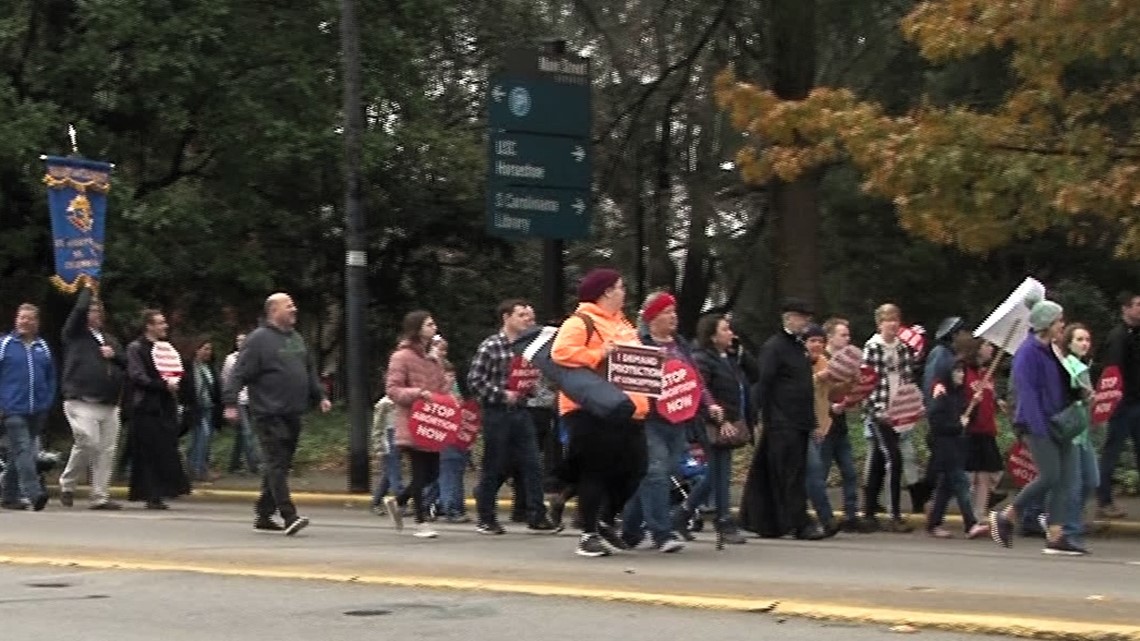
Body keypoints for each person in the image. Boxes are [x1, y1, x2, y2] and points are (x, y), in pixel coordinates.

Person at [550, 268, 649, 557]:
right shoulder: (580, 321)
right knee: (596, 470)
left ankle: (606, 519)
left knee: (636, 469)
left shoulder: (623, 324)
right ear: (606, 292)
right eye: (620, 287)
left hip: (627, 409)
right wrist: (598, 354)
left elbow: (634, 363)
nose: (624, 291)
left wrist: (653, 362)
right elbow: (561, 353)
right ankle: (588, 533)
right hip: (590, 408)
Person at [224, 293, 330, 535]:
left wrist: (320, 396)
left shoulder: (296, 339)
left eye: (294, 304)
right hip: (268, 412)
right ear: (273, 311)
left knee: (281, 463)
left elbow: (308, 369)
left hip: (293, 411)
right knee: (276, 462)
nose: (294, 309)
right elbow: (239, 373)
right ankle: (288, 514)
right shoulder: (258, 339)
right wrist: (230, 402)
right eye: (288, 305)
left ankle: (263, 513)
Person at [620, 292, 717, 552]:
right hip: (649, 419)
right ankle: (662, 533)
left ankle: (629, 530)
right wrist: (653, 365)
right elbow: (628, 377)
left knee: (665, 472)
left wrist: (709, 403)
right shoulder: (638, 343)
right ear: (652, 318)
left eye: (674, 312)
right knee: (656, 473)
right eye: (666, 313)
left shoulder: (680, 344)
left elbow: (693, 378)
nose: (673, 317)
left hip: (678, 419)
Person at [989, 292, 1084, 555]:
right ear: (1045, 324)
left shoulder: (1052, 349)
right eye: (1058, 322)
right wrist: (1039, 429)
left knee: (1064, 479)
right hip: (1037, 425)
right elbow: (1028, 395)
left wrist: (1078, 393)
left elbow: (1062, 385)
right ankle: (1007, 515)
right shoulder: (1027, 353)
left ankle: (1056, 535)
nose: (1062, 326)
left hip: (1060, 422)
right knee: (1050, 475)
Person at [739, 298, 825, 540]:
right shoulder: (774, 347)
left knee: (787, 472)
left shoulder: (798, 347)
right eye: (801, 317)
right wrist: (755, 415)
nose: (806, 322)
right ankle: (799, 523)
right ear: (789, 318)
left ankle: (773, 521)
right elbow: (763, 382)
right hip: (781, 421)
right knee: (787, 473)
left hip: (798, 420)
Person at [468, 299, 554, 534]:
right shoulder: (491, 346)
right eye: (521, 315)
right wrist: (502, 395)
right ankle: (486, 517)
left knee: (533, 463)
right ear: (506, 318)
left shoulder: (530, 348)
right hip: (497, 413)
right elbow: (474, 381)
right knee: (494, 464)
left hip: (522, 410)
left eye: (529, 315)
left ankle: (537, 515)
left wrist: (529, 388)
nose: (528, 319)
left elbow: (531, 379)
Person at [58, 284, 126, 510]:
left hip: (109, 402)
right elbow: (77, 312)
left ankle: (100, 495)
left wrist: (114, 355)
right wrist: (87, 288)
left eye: (97, 311)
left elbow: (126, 363)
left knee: (106, 450)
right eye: (90, 311)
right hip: (81, 399)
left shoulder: (110, 340)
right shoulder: (75, 334)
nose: (93, 314)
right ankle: (68, 483)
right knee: (88, 441)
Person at [383, 311, 449, 538]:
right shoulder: (401, 357)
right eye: (429, 324)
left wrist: (447, 400)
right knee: (420, 472)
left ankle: (399, 500)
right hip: (412, 421)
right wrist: (418, 394)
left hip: (433, 421)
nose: (434, 327)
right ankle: (420, 521)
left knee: (432, 473)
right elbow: (392, 389)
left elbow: (441, 386)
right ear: (417, 328)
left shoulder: (433, 358)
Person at [859, 303, 917, 533]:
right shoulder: (872, 347)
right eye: (888, 319)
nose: (893, 324)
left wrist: (908, 408)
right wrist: (878, 409)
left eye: (896, 319)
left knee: (878, 462)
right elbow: (866, 382)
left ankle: (869, 511)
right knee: (895, 460)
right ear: (879, 323)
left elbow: (907, 379)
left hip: (898, 412)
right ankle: (893, 514)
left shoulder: (902, 348)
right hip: (879, 412)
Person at [124, 309, 191, 510]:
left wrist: (176, 384)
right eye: (160, 323)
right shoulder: (136, 348)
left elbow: (175, 371)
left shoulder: (166, 348)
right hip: (146, 406)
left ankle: (163, 490)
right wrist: (163, 385)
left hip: (165, 405)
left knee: (165, 449)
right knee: (148, 452)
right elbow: (137, 376)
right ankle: (151, 493)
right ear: (149, 326)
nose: (165, 326)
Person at [924, 354, 989, 539]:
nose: (961, 375)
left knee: (946, 487)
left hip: (956, 447)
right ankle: (970, 524)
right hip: (945, 448)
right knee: (961, 483)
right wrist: (958, 425)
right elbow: (937, 424)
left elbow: (966, 417)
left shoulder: (957, 394)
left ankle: (934, 523)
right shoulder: (941, 394)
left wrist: (974, 405)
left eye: (962, 371)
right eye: (957, 371)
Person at [0, 303, 55, 511]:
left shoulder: (43, 347)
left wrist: (47, 401)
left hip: (37, 410)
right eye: (21, 317)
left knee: (17, 452)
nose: (24, 321)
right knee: (25, 449)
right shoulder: (5, 345)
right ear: (16, 320)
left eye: (29, 318)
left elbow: (51, 377)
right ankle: (34, 493)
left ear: (36, 323)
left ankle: (9, 495)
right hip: (12, 409)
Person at [1096, 292, 1140, 519]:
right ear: (1126, 308)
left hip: (1136, 402)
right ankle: (1104, 500)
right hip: (1123, 404)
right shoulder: (1118, 337)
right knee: (1112, 451)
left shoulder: (1135, 335)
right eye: (1138, 305)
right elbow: (1113, 372)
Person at [820, 318, 863, 533]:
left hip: (840, 425)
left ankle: (851, 513)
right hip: (825, 425)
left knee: (849, 471)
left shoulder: (848, 362)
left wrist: (853, 390)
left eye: (848, 335)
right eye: (843, 335)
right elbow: (821, 392)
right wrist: (832, 405)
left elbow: (847, 391)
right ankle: (823, 513)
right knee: (822, 471)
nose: (847, 339)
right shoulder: (822, 360)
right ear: (830, 337)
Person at [1058, 323, 1098, 550]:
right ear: (1069, 343)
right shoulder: (1068, 367)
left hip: (1083, 434)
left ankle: (1066, 520)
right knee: (1074, 484)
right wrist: (1083, 397)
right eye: (1079, 339)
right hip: (1071, 433)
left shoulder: (1083, 366)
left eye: (1087, 340)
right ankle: (1070, 531)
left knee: (1092, 480)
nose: (1084, 344)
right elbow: (1067, 397)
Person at [803, 323, 841, 538]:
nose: (817, 345)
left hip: (823, 427)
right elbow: (799, 389)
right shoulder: (800, 363)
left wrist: (850, 382)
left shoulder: (825, 362)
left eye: (820, 341)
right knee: (815, 473)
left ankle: (801, 517)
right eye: (812, 341)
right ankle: (827, 519)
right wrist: (820, 377)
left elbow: (832, 395)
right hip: (805, 427)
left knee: (811, 475)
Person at [962, 339, 1005, 519]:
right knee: (970, 476)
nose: (991, 348)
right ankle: (969, 514)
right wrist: (970, 404)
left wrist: (997, 401)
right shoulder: (965, 372)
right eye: (987, 345)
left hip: (987, 429)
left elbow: (990, 395)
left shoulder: (987, 373)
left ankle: (979, 513)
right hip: (971, 429)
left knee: (991, 473)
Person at [221, 333, 261, 475]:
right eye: (238, 340)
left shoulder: (253, 357)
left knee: (242, 434)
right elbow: (226, 379)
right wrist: (230, 399)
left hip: (252, 399)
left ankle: (234, 464)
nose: (241, 342)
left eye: (244, 340)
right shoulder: (231, 359)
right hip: (239, 400)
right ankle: (254, 465)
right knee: (247, 432)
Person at [184, 337, 221, 482]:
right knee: (200, 438)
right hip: (196, 407)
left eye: (210, 349)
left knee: (205, 437)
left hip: (209, 407)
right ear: (196, 350)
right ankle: (196, 469)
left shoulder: (211, 367)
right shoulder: (189, 367)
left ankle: (198, 467)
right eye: (205, 349)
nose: (208, 352)